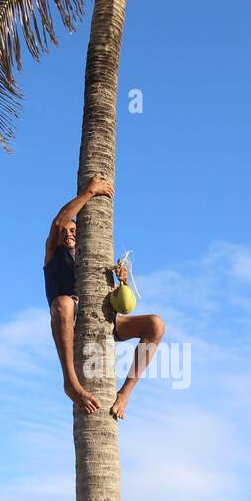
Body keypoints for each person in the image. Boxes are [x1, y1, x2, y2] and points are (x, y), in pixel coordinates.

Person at [43, 176, 165, 420]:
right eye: (66, 230)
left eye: (74, 230)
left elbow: (122, 306)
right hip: (71, 317)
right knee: (63, 303)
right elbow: (58, 223)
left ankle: (126, 393)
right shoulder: (53, 254)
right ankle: (71, 383)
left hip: (103, 319)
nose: (68, 233)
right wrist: (90, 192)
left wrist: (123, 283)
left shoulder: (94, 261)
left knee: (156, 325)